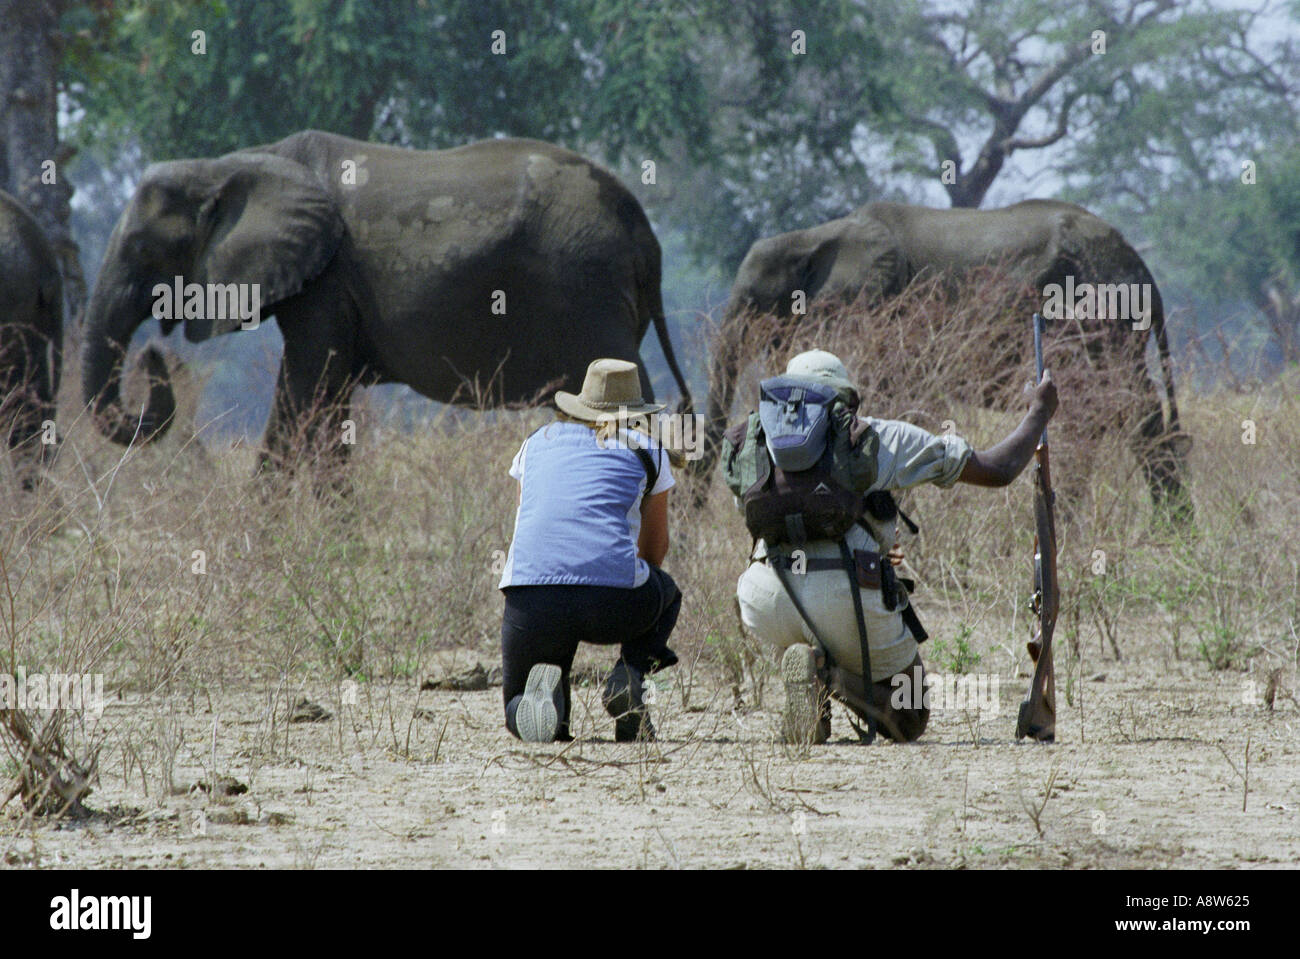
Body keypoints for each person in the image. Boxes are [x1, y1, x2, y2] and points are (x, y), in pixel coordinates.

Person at [733, 349, 1058, 743]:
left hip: (764, 596)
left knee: (805, 627)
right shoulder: (875, 436)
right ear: (845, 397)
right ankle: (825, 676)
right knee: (910, 715)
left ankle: (810, 676)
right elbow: (998, 469)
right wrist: (1038, 412)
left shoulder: (753, 440)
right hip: (846, 594)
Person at [498, 358, 681, 743]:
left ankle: (538, 706)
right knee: (667, 592)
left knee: (521, 699)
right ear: (636, 412)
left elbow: (529, 525)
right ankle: (628, 678)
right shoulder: (648, 448)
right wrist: (625, 587)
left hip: (531, 597)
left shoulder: (535, 444)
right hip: (611, 603)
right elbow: (655, 548)